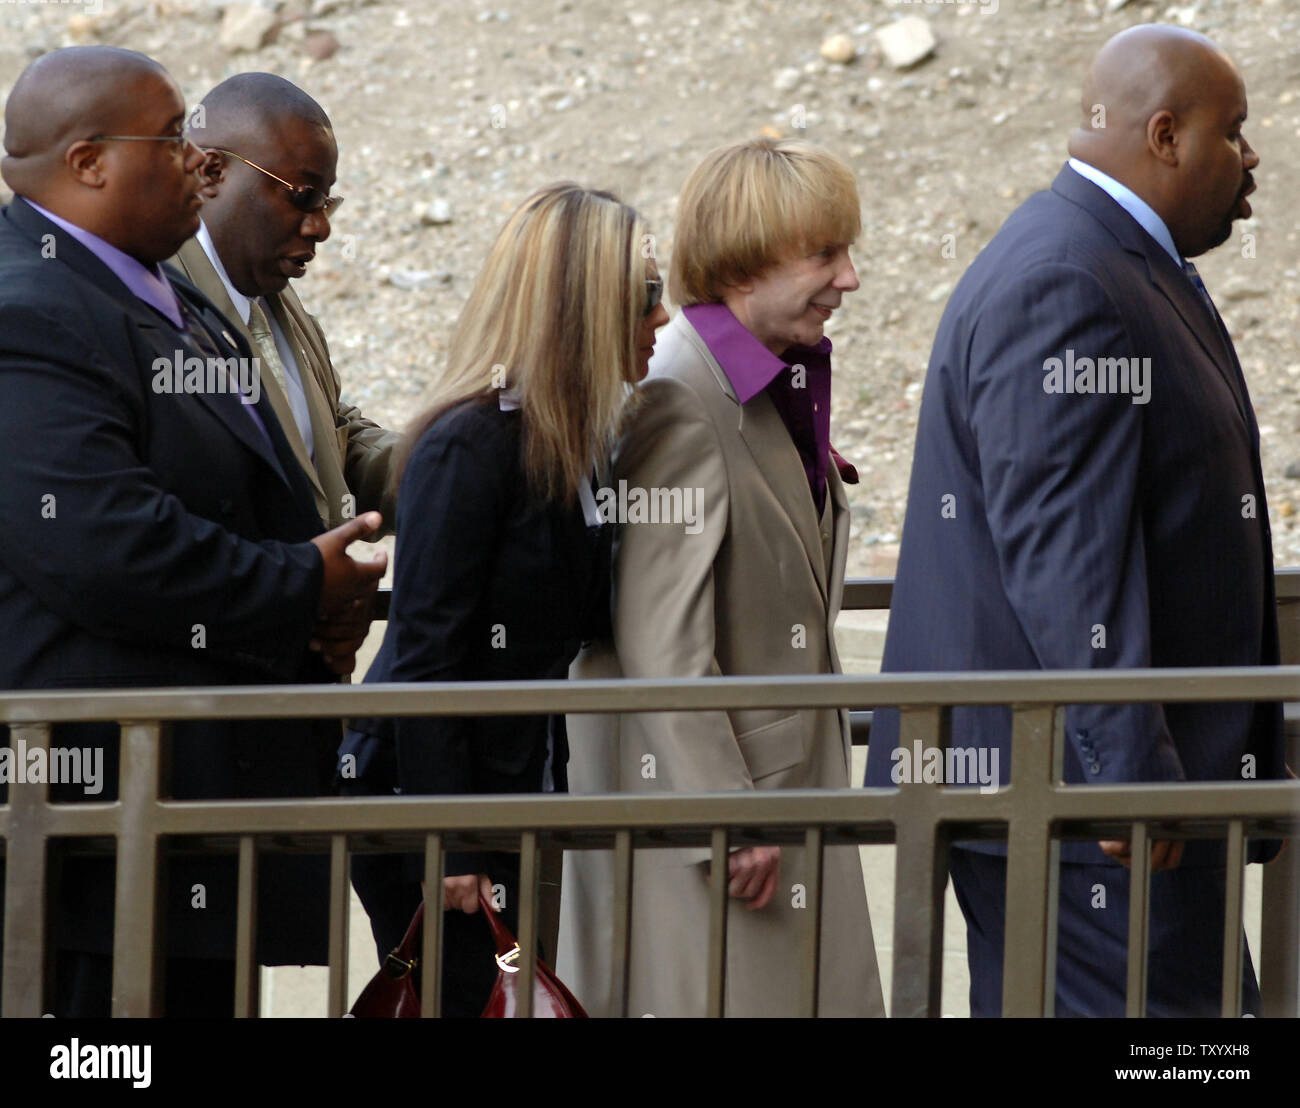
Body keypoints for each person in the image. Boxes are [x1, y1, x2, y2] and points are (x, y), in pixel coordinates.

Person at [864, 24, 1286, 1017]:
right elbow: (1064, 557)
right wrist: (1126, 778)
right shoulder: (1065, 280)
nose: (1253, 156)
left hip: (1114, 798)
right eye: (1236, 132)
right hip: (1087, 812)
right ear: (1166, 134)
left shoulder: (1113, 259)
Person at [0, 46, 386, 1016]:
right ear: (88, 161)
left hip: (192, 823)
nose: (199, 161)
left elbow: (273, 490)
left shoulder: (173, 307)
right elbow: (105, 546)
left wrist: (318, 593)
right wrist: (301, 585)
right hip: (105, 841)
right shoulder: (29, 309)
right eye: (173, 140)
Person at [558, 138, 885, 1017]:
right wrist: (726, 819)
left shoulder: (749, 380)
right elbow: (660, 637)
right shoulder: (680, 398)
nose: (848, 279)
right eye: (824, 255)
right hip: (728, 829)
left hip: (777, 810)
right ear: (745, 263)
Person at [340, 182, 667, 1017]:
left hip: (508, 793)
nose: (661, 320)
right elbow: (427, 654)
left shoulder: (569, 439)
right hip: (433, 808)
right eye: (645, 298)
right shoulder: (471, 442)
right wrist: (453, 842)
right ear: (583, 308)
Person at [172, 72, 398, 532]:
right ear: (211, 171)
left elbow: (327, 444)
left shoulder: (272, 293)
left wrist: (451, 463)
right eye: (303, 196)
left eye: (326, 204)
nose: (321, 228)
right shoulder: (154, 305)